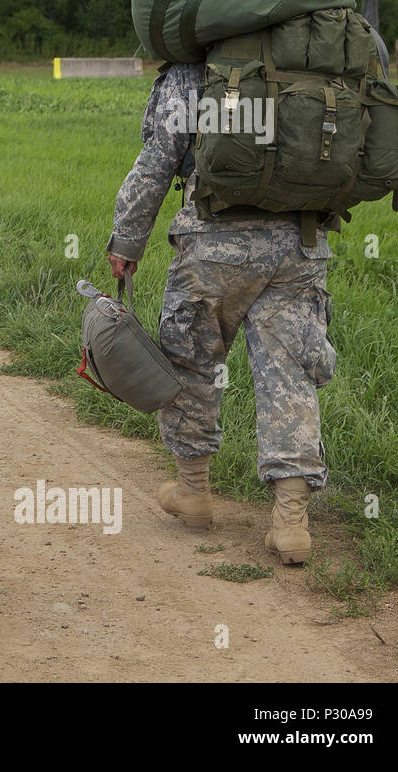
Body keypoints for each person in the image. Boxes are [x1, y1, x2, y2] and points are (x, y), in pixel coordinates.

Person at [106, 64, 338, 566]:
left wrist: (127, 240)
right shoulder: (315, 62)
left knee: (191, 358)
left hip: (215, 243)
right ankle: (291, 522)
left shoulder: (194, 71)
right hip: (301, 244)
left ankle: (193, 492)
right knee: (290, 373)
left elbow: (156, 162)